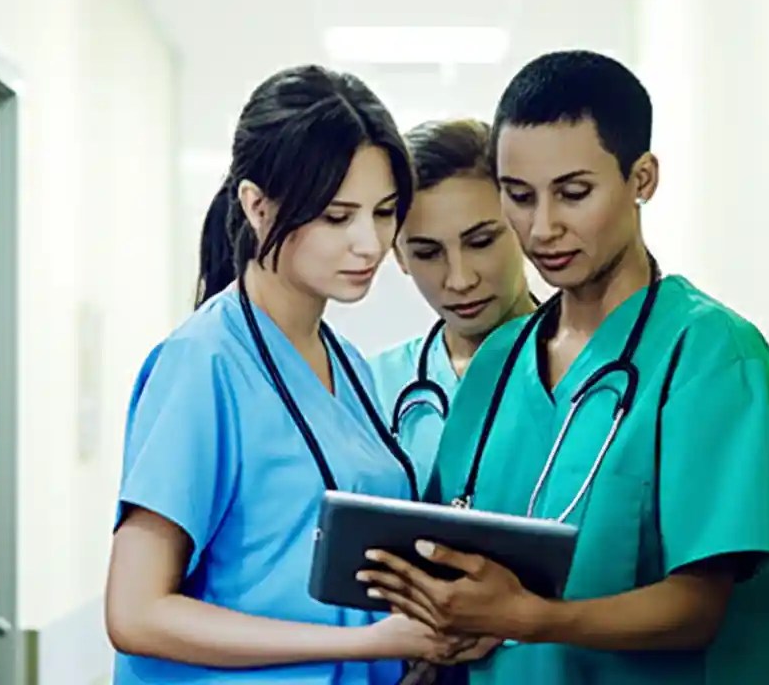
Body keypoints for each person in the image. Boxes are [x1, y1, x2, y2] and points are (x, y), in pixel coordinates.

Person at [356, 51, 769, 684]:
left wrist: (526, 617)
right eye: (520, 197)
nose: (543, 228)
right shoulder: (498, 363)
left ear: (642, 179)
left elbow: (698, 607)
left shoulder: (710, 357)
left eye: (573, 194)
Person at [105, 65, 487, 684]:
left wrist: (420, 640)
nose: (368, 243)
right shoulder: (205, 363)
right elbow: (136, 613)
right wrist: (372, 645)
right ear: (257, 205)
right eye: (337, 217)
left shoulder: (351, 370)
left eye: (384, 213)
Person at [370, 119, 537, 488]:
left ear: (523, 225)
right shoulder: (369, 388)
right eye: (428, 253)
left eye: (481, 242)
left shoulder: (588, 375)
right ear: (398, 255)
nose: (459, 280)